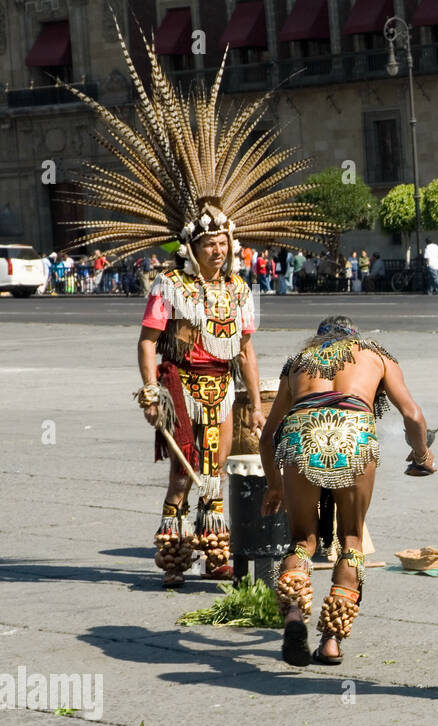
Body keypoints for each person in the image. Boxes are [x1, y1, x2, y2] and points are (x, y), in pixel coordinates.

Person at [67, 25, 329, 589]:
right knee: (186, 477)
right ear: (192, 247)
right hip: (180, 383)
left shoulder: (239, 290)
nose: (219, 248)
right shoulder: (169, 286)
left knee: (219, 468)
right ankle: (171, 546)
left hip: (223, 388)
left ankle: (216, 549)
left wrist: (256, 403)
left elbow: (248, 348)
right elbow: (145, 340)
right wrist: (149, 390)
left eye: (224, 243)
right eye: (210, 243)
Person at [261, 317, 431, 666]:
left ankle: (293, 613)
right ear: (356, 336)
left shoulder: (298, 362)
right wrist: (422, 454)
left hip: (301, 432)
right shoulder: (375, 355)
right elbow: (412, 416)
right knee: (351, 540)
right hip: (353, 432)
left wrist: (275, 486)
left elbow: (267, 437)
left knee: (302, 542)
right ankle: (331, 642)